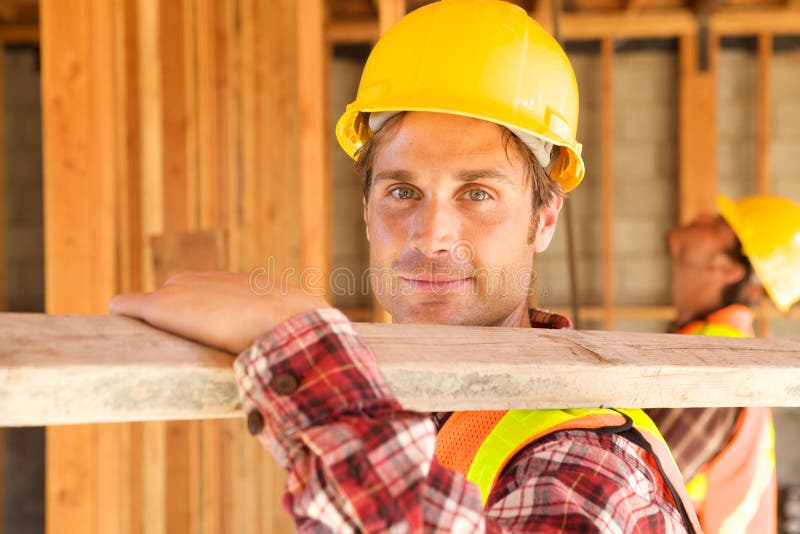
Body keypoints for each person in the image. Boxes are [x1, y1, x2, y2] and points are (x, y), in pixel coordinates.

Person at [111, 1, 699, 531]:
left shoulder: (586, 463)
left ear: (544, 221)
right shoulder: (409, 414)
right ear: (367, 212)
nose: (432, 235)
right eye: (402, 192)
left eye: (477, 193)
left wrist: (307, 357)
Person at [646, 194, 800, 533]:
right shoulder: (712, 343)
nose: (701, 214)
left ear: (728, 269)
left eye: (717, 225)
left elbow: (637, 483)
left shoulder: (713, 360)